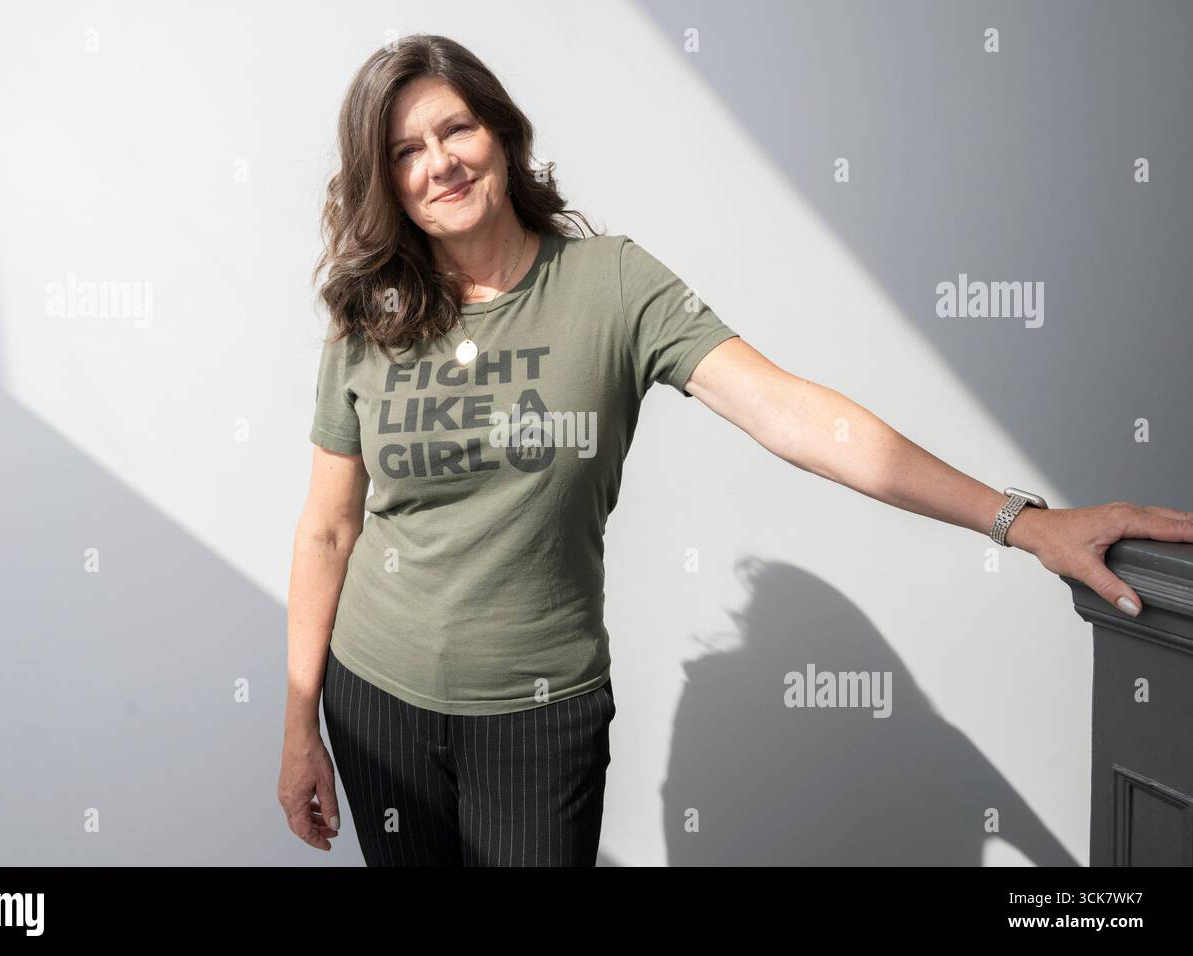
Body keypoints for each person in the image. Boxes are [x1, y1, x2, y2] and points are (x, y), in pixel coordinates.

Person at [277, 34, 1193, 867]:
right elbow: (328, 531)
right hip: (376, 702)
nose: (438, 163)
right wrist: (298, 723)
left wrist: (1022, 523)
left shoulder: (611, 284)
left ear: (501, 133)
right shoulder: (374, 314)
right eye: (404, 151)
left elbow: (797, 416)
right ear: (384, 180)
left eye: (456, 128)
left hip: (535, 715)